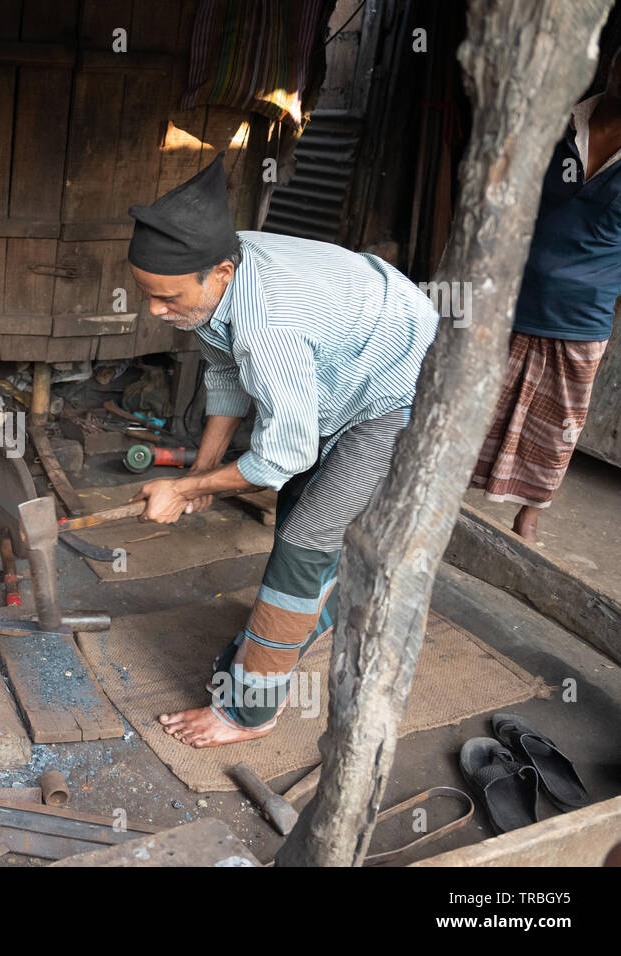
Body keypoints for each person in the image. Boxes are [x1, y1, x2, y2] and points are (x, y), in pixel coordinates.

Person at [127, 155, 439, 747]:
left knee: (302, 542)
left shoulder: (267, 322)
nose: (153, 310)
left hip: (400, 388)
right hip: (347, 364)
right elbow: (224, 371)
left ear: (220, 271)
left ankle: (248, 712)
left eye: (165, 297)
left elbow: (278, 458)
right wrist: (200, 471)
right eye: (145, 295)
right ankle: (332, 599)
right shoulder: (221, 268)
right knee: (303, 512)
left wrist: (188, 490)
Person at [470, 46, 621, 543]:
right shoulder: (560, 123)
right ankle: (445, 489)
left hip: (581, 316)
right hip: (510, 296)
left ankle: (529, 517)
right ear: (614, 65)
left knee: (557, 426)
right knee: (474, 402)